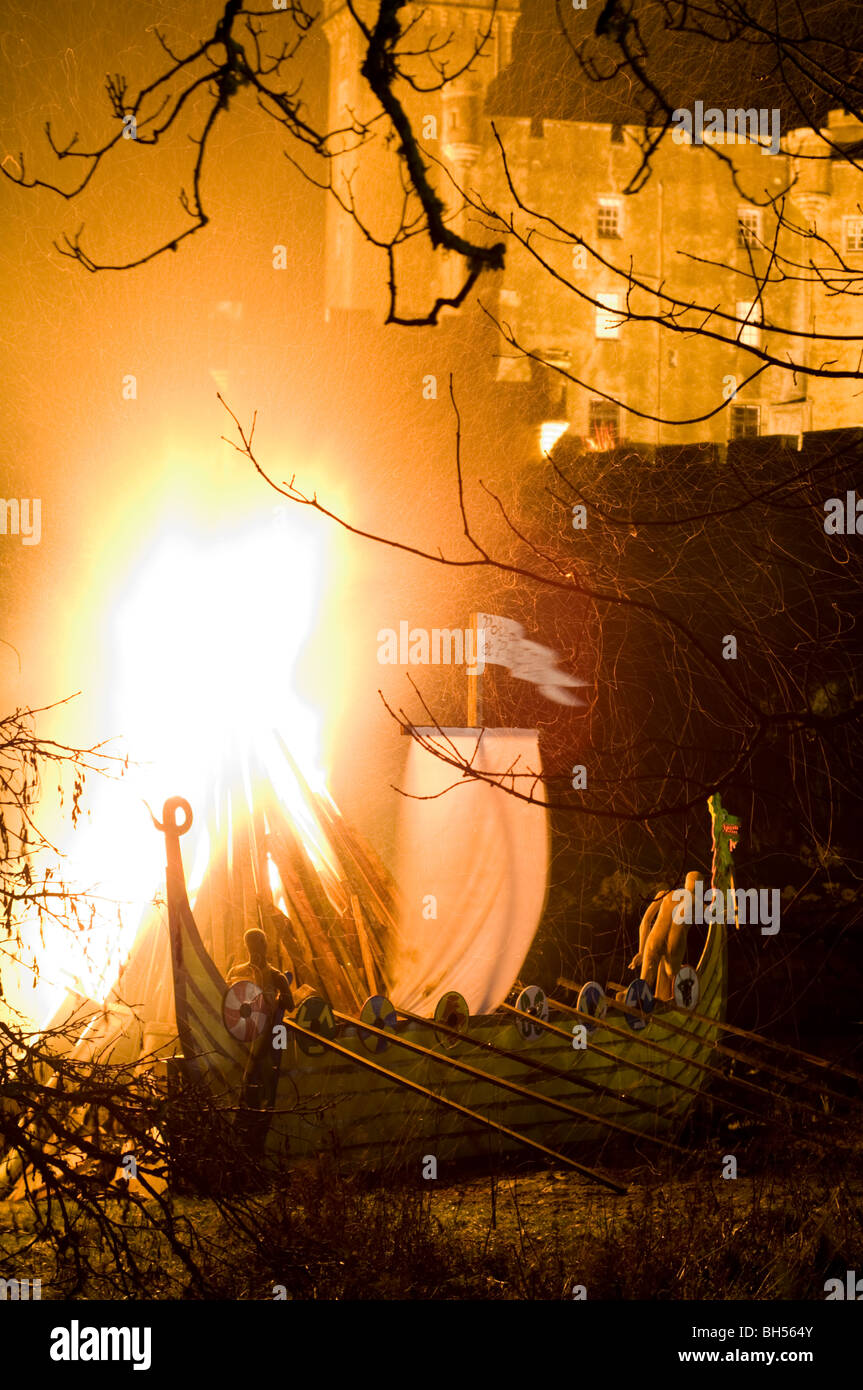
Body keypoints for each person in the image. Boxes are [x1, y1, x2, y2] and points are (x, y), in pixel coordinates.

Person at [226, 927, 293, 1109]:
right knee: (260, 1070)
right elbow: (290, 1005)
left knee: (254, 1070)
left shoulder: (235, 972)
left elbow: (225, 1001)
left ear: (246, 946)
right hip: (255, 1032)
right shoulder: (275, 976)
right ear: (265, 945)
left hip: (247, 1032)